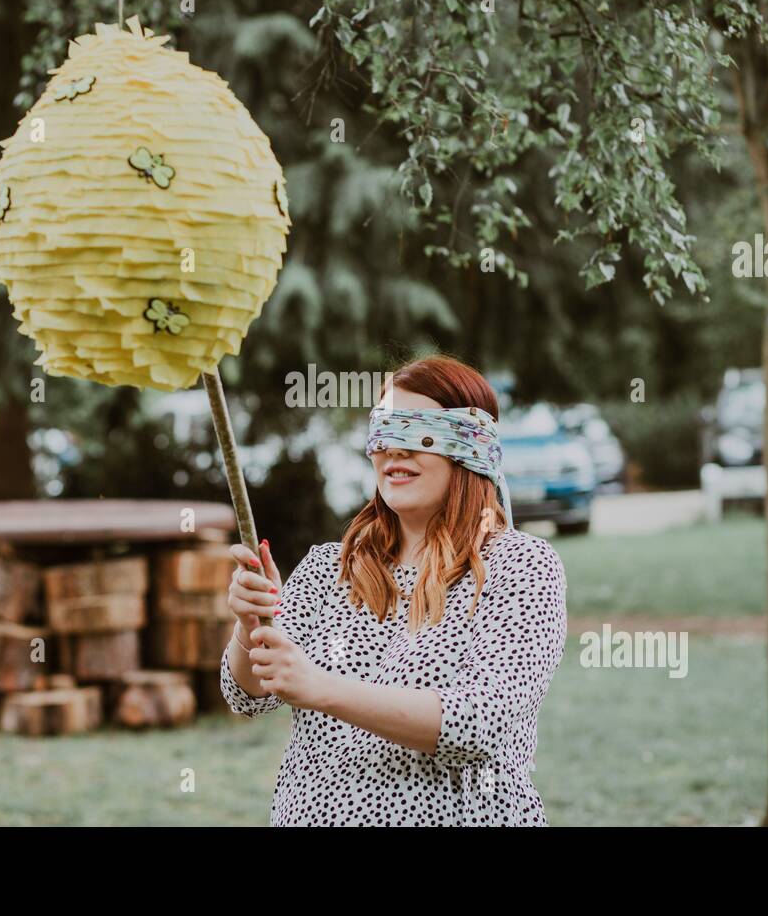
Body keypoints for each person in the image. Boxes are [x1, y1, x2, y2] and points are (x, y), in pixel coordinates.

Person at [220, 354, 568, 826]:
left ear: (471, 447)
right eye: (384, 431)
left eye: (417, 432)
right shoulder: (329, 566)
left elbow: (477, 722)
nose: (394, 451)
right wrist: (250, 624)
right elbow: (249, 695)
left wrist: (320, 688)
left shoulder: (520, 566)